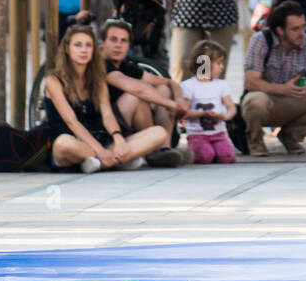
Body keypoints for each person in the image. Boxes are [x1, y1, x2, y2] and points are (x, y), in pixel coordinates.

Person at [44, 24, 166, 174]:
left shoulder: (98, 79)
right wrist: (100, 150)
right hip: (74, 144)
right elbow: (71, 121)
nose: (84, 50)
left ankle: (99, 162)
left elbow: (107, 114)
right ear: (67, 49)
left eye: (88, 45)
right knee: (63, 143)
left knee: (159, 132)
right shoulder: (53, 80)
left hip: (100, 142)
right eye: (78, 45)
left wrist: (119, 139)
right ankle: (114, 160)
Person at [242, 0, 306, 156]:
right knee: (254, 100)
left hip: (297, 101)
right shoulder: (261, 40)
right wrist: (283, 89)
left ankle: (290, 136)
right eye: (295, 29)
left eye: (304, 27)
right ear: (280, 30)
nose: (302, 33)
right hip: (268, 101)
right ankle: (255, 140)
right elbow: (251, 81)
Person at [98, 17, 187, 167]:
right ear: (103, 43)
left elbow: (169, 82)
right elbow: (137, 88)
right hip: (105, 126)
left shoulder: (126, 65)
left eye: (123, 41)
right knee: (136, 97)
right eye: (113, 40)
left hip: (124, 123)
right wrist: (173, 105)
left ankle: (164, 148)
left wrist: (179, 100)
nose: (118, 45)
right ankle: (153, 151)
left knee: (163, 89)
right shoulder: (100, 65)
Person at [180, 39, 236, 164]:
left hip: (218, 133)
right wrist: (202, 114)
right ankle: (193, 151)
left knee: (227, 157)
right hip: (198, 134)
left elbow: (231, 106)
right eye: (218, 63)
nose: (222, 67)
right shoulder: (189, 86)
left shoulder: (221, 85)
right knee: (205, 157)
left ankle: (215, 149)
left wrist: (225, 116)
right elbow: (184, 112)